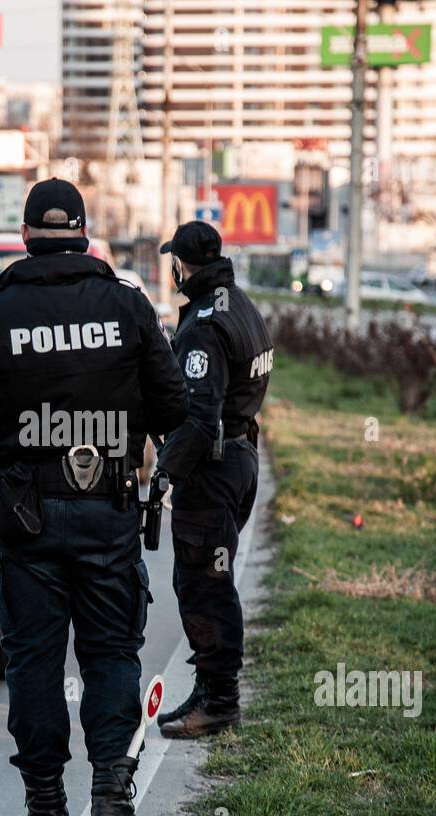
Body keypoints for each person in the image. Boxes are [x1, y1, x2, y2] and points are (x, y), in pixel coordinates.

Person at [0, 179, 189, 816]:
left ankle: (46, 815)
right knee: (111, 657)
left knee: (35, 662)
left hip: (26, 517)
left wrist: (14, 428)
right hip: (107, 509)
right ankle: (112, 805)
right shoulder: (129, 307)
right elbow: (172, 409)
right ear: (84, 234)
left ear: (25, 237)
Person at [155, 220, 273, 738]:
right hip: (242, 455)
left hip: (213, 468)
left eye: (173, 263)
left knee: (204, 584)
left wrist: (163, 472)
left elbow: (201, 419)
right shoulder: (239, 303)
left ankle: (220, 701)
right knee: (208, 578)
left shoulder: (204, 322)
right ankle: (210, 690)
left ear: (182, 265)